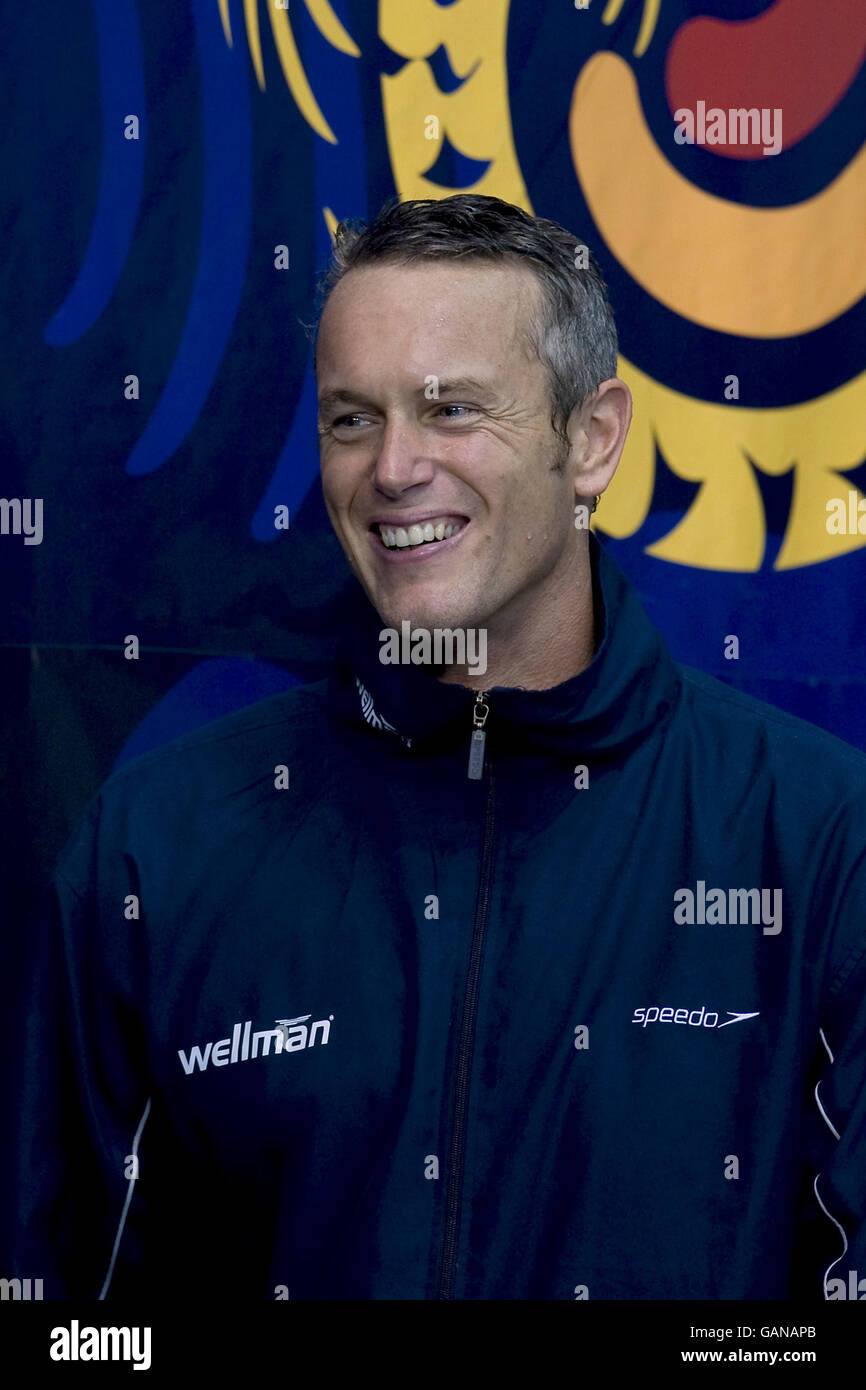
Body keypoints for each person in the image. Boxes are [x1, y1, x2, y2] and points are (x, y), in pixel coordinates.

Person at [5, 194, 866, 1300]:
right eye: (351, 418)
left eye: (451, 409)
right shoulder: (160, 842)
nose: (394, 468)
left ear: (590, 439)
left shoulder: (818, 837)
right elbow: (70, 1304)